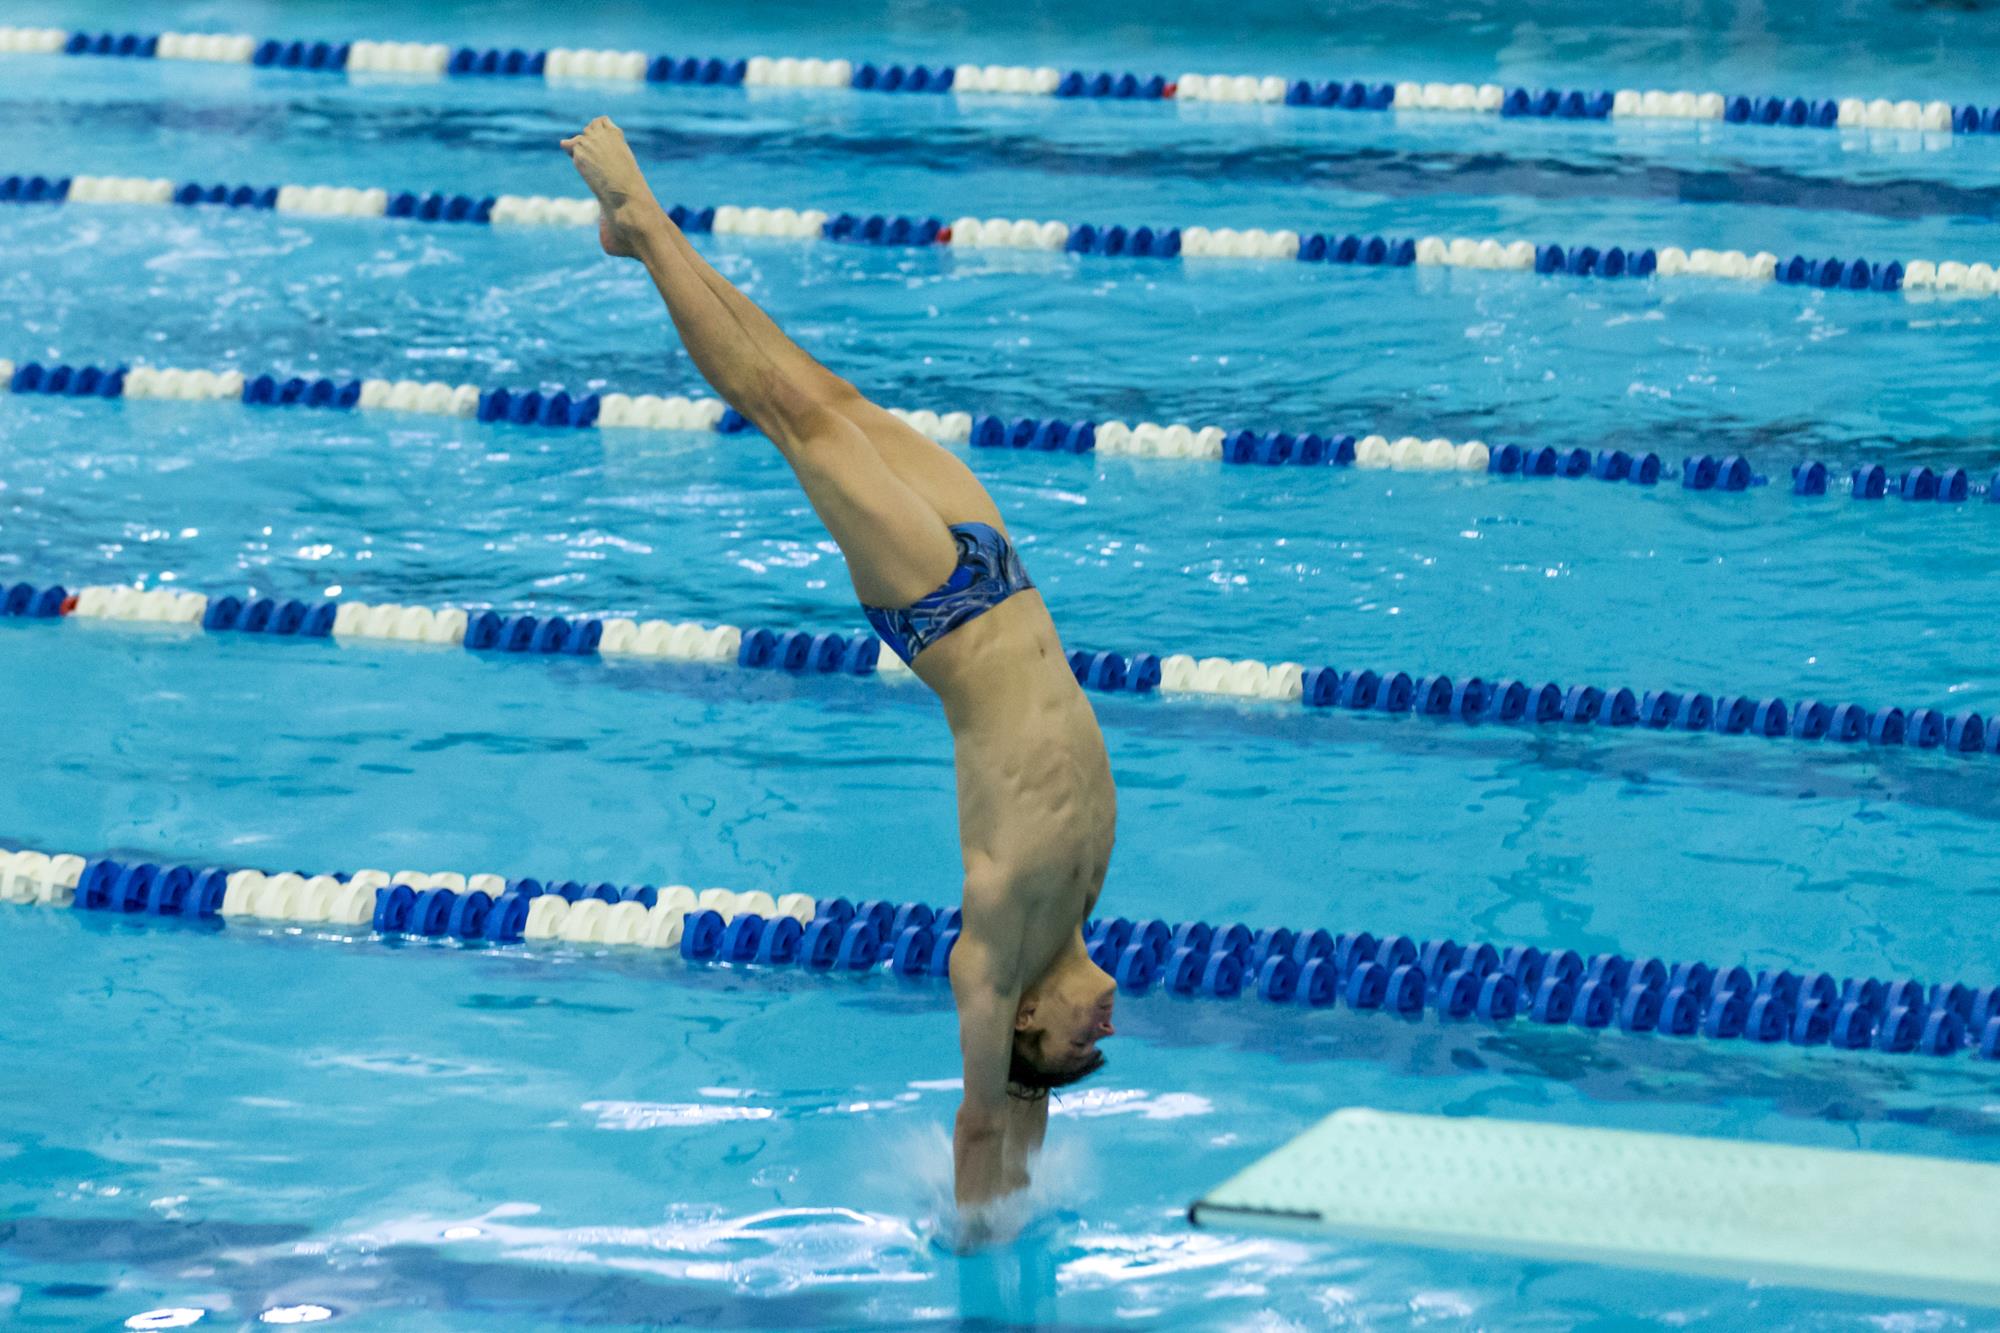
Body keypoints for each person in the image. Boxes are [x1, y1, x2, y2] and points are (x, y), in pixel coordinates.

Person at [561, 117, 1118, 1215]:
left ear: (1018, 1021)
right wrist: (1026, 1162)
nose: (1101, 1033)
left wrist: (980, 1229)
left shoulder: (993, 949)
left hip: (942, 614)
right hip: (997, 570)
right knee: (829, 394)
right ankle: (638, 245)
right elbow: (1023, 1108)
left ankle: (644, 220)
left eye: (1070, 1048)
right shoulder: (1076, 905)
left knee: (792, 418)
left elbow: (983, 1112)